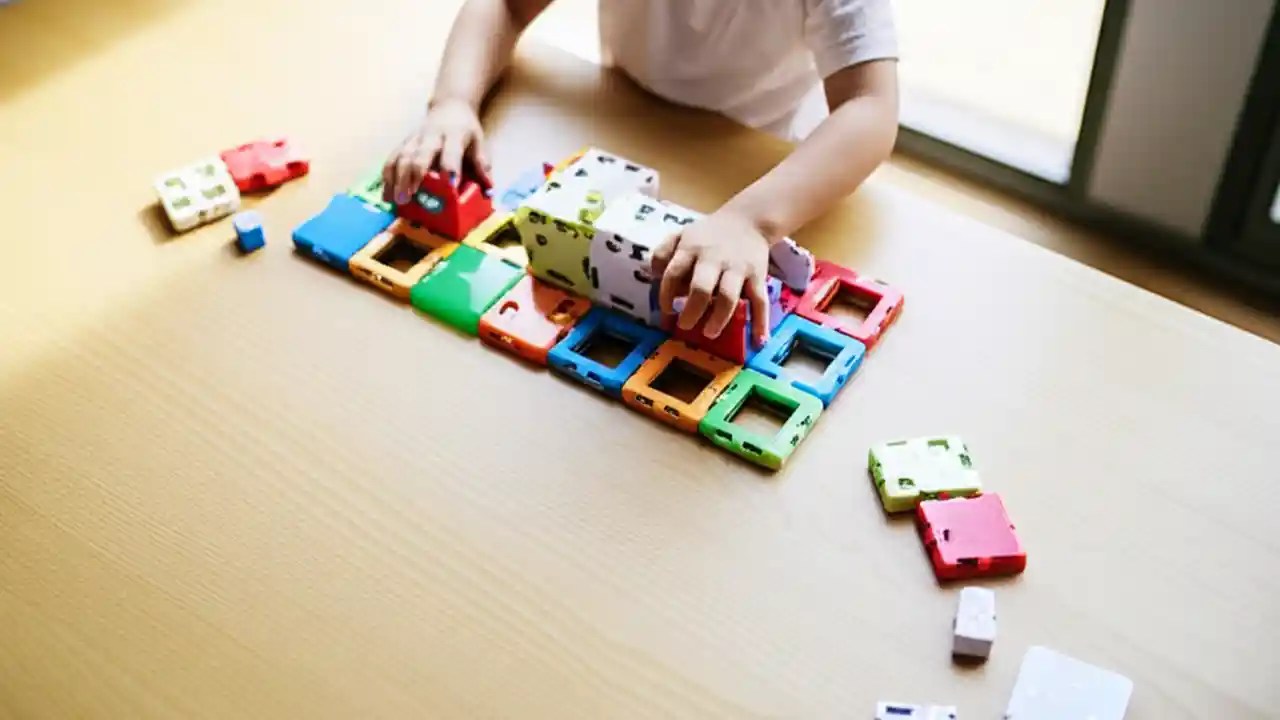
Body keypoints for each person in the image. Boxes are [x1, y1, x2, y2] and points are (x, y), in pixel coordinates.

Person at [383, 0, 899, 345]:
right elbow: (505, 5)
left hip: (762, 163)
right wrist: (452, 102)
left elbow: (871, 108)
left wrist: (752, 221)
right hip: (626, 120)